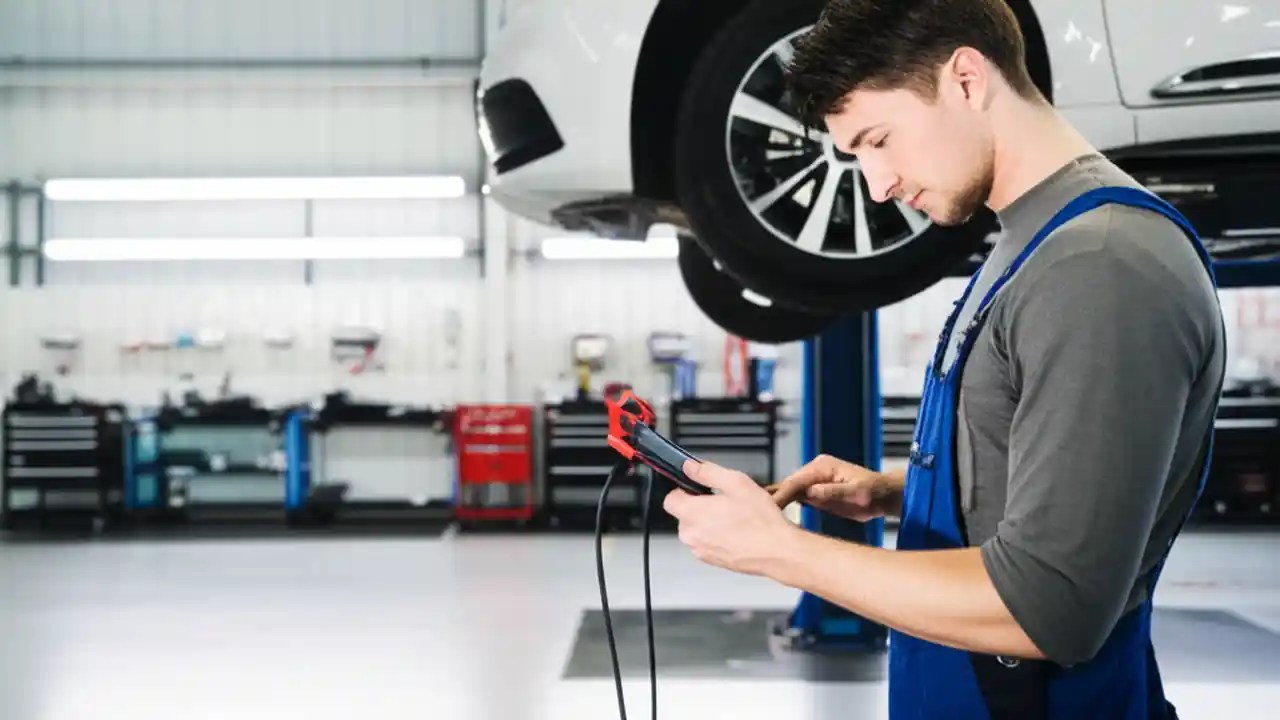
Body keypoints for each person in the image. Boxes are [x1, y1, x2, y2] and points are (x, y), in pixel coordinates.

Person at [660, 1, 1226, 718]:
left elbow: (1049, 608)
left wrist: (781, 552)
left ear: (965, 78)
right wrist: (904, 492)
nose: (876, 184)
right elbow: (1061, 480)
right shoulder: (1036, 240)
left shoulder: (1099, 266)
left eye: (878, 140)